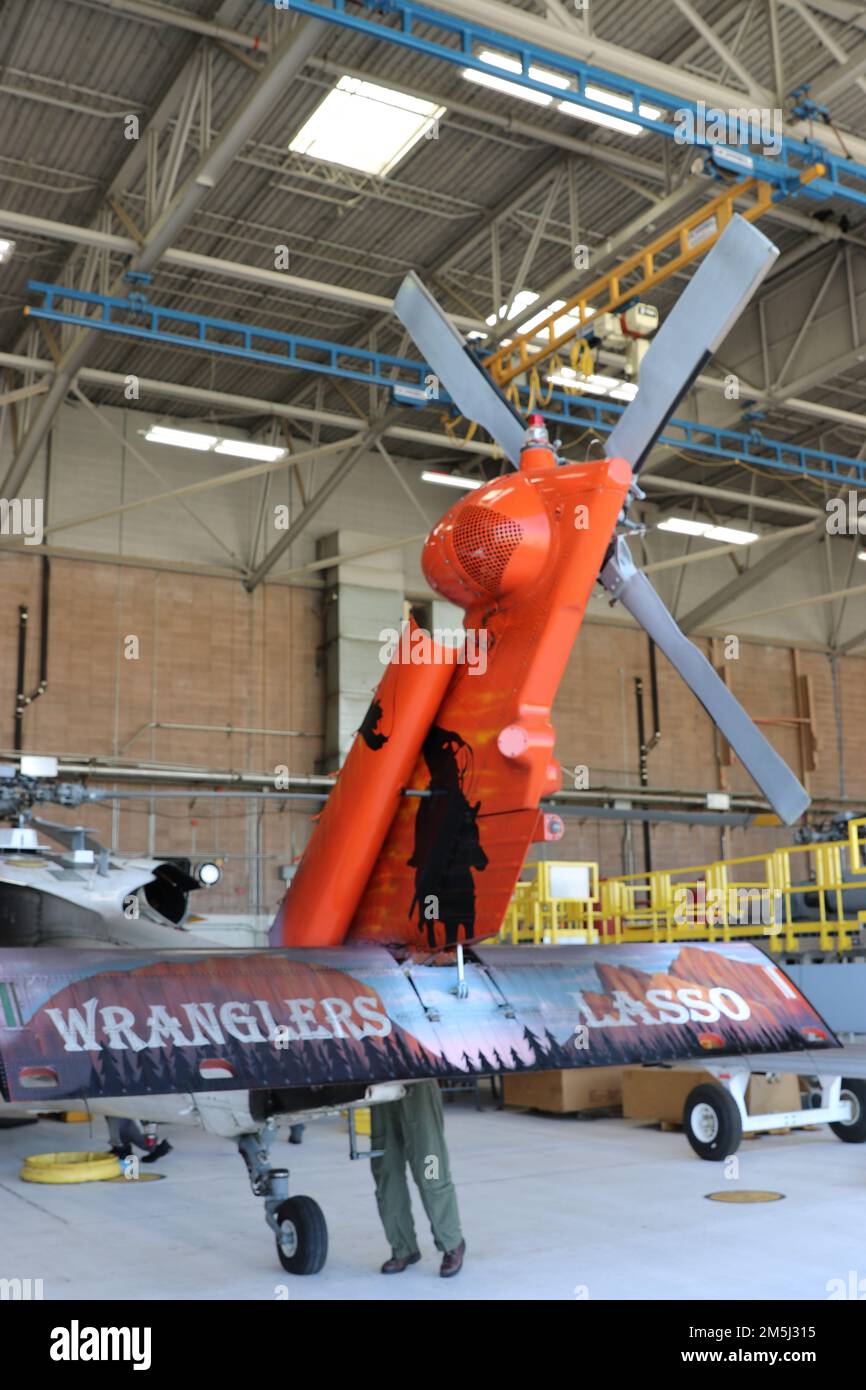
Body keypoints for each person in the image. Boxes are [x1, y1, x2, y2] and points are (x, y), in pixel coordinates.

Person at [371, 1079, 466, 1278]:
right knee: (387, 1176)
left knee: (431, 1172)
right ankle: (403, 1248)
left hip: (418, 1084)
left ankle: (451, 1242)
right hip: (380, 1086)